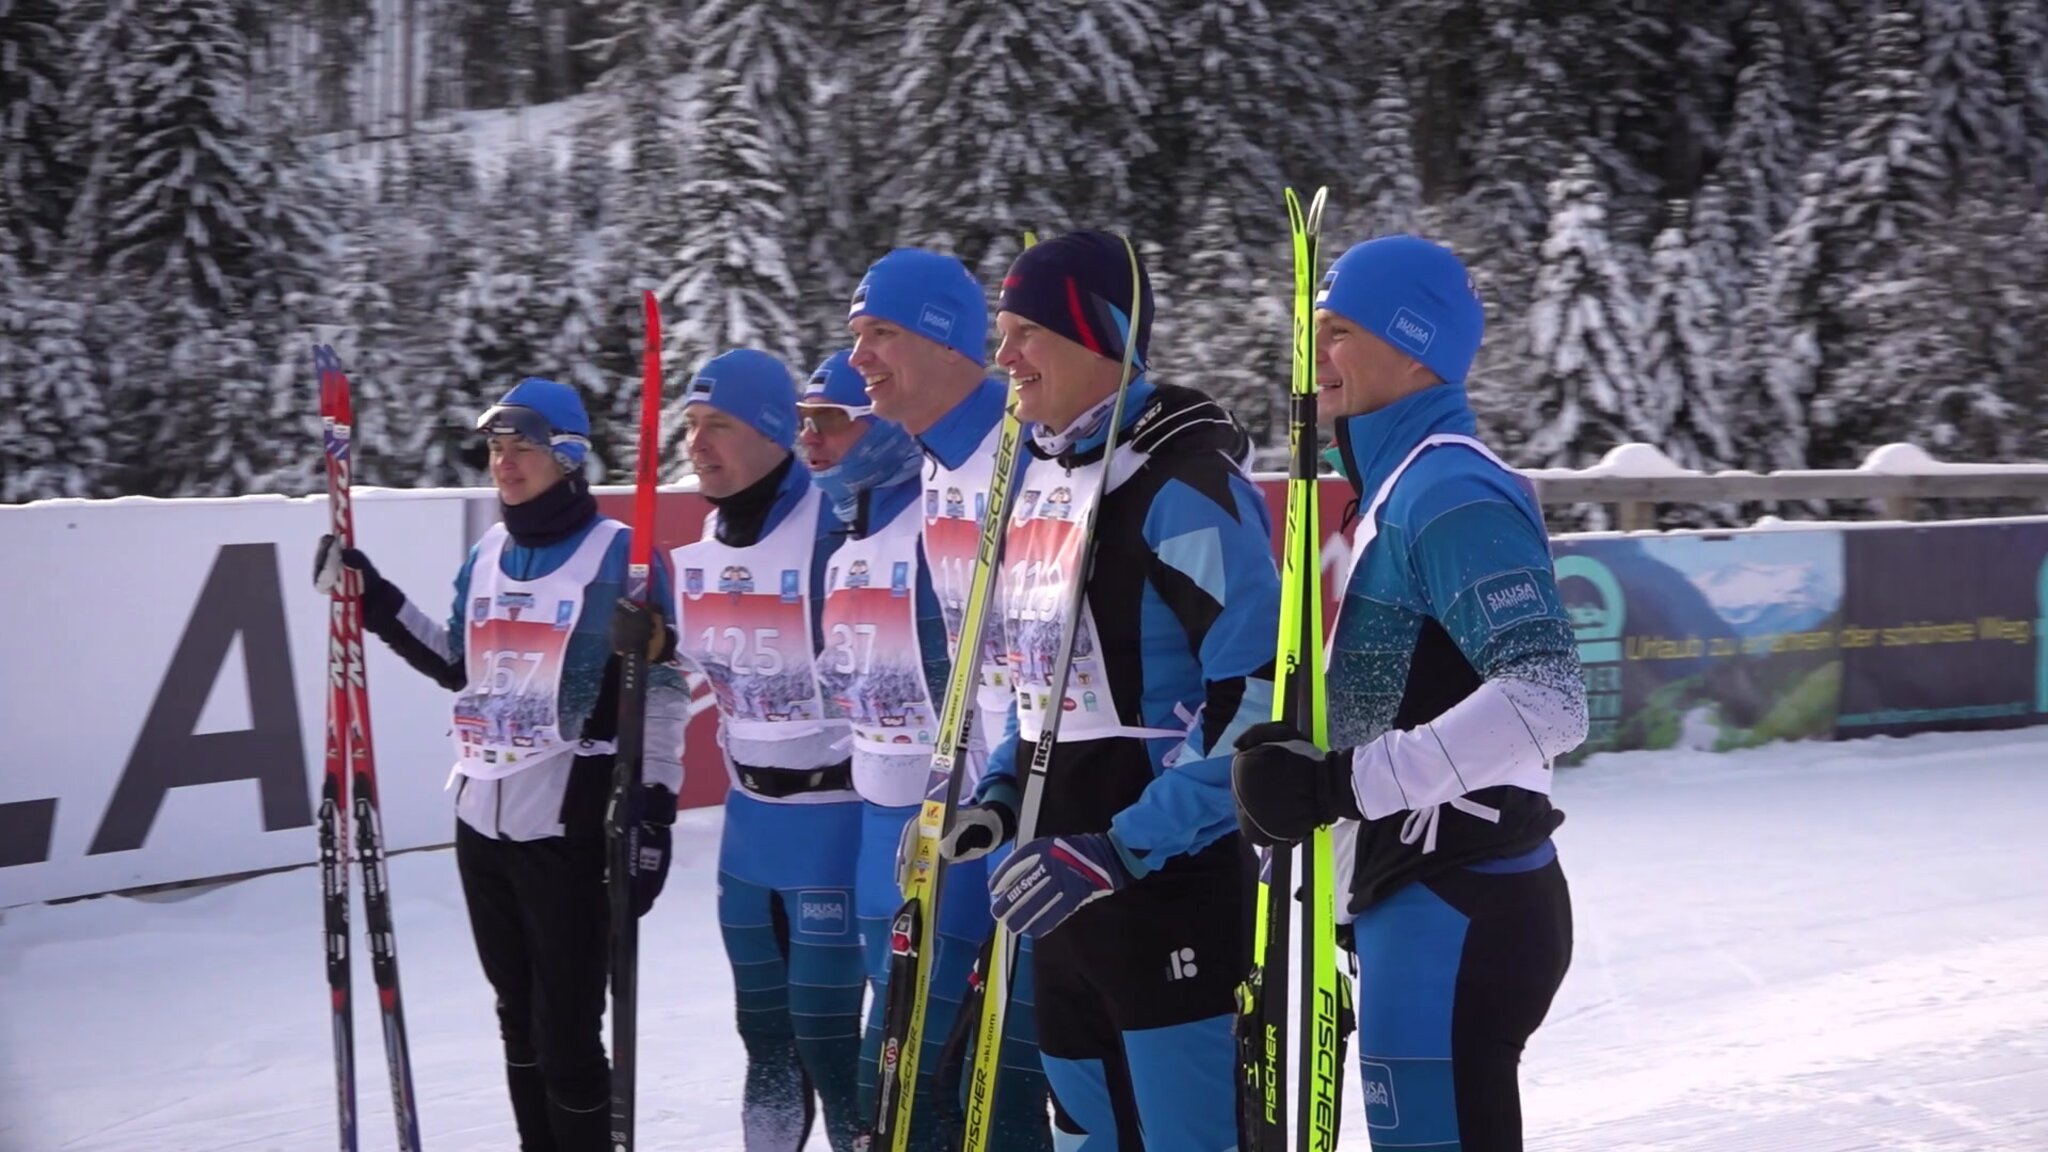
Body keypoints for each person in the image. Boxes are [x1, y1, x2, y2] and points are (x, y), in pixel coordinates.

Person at [904, 230, 1283, 1150]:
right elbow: (1038, 691)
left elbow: (1263, 699)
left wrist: (1121, 848)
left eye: (1028, 331)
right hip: (1060, 899)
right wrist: (1000, 794)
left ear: (1102, 337)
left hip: (1168, 890)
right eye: (1002, 331)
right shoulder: (1038, 483)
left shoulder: (1184, 488)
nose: (1005, 357)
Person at [1228, 234, 1586, 1152]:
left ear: (1415, 343)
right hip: (1415, 900)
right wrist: (1300, 759)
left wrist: (1341, 786)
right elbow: (1405, 695)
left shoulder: (1451, 485)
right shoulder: (1389, 489)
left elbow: (1547, 699)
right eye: (1313, 333)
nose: (1317, 358)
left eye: (1339, 332)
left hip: (1461, 904)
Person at [311, 376, 687, 1152]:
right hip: (480, 819)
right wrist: (372, 597)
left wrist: (654, 809)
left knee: (568, 1037)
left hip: (569, 827)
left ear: (570, 457)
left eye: (524, 448)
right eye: (496, 447)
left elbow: (663, 693)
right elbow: (457, 661)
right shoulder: (487, 550)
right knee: (516, 1017)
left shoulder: (621, 554)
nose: (505, 464)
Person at [800, 347, 1054, 1151]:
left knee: (938, 1076)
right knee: (902, 1078)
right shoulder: (839, 539)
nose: (812, 443)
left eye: (830, 423)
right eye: (803, 424)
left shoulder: (935, 518)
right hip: (884, 828)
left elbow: (988, 688)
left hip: (954, 820)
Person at [666, 349, 866, 1151]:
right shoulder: (706, 540)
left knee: (832, 1045)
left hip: (835, 820)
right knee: (765, 1043)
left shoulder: (832, 522)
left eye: (720, 425)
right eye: (690, 426)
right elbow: (681, 665)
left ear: (778, 431)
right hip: (746, 827)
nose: (698, 444)